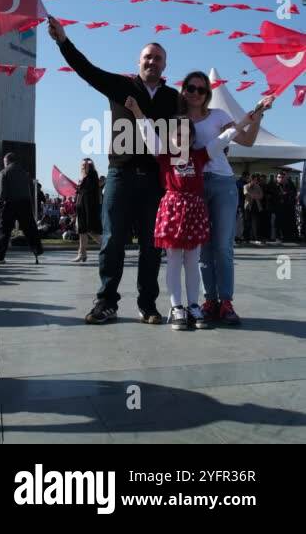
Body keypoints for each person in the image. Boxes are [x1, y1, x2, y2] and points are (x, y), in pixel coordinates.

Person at [48, 16, 180, 324]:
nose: (152, 61)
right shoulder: (121, 86)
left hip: (154, 182)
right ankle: (106, 302)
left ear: (164, 66)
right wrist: (63, 42)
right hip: (120, 176)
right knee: (112, 241)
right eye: (148, 56)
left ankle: (148, 304)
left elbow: (191, 125)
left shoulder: (173, 98)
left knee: (152, 244)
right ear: (139, 62)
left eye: (158, 58)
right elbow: (87, 70)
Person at [125, 96, 259, 330]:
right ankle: (177, 307)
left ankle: (194, 305)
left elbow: (224, 137)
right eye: (178, 135)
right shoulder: (163, 155)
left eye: (188, 135)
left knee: (192, 261)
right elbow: (147, 132)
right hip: (173, 211)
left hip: (196, 212)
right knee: (175, 261)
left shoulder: (200, 155)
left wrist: (247, 119)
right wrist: (137, 111)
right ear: (170, 138)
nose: (183, 138)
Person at [180, 71, 273, 325]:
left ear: (208, 94)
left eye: (201, 89)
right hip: (194, 186)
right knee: (203, 248)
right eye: (191, 87)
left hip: (222, 182)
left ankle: (226, 301)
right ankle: (210, 300)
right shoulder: (176, 120)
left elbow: (248, 140)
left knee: (222, 245)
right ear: (184, 90)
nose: (196, 93)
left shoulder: (219, 116)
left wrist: (258, 114)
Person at [0, 153, 43, 264]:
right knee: (30, 228)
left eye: (4, 162)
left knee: (5, 230)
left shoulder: (4, 172)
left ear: (7, 161)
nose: (4, 164)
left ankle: (0, 256)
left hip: (10, 203)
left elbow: (1, 192)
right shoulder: (24, 173)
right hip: (25, 203)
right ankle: (37, 250)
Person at [73, 159, 102, 262]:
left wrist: (80, 186)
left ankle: (111, 248)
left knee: (92, 231)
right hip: (81, 207)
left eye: (86, 164)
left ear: (90, 166)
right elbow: (80, 192)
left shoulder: (92, 175)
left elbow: (89, 193)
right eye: (82, 164)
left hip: (89, 208)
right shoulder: (82, 176)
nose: (84, 166)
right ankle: (82, 254)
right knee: (82, 231)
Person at [243, 174, 263, 243]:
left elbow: (261, 195)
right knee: (247, 222)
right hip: (248, 206)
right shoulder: (246, 186)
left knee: (256, 223)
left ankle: (256, 238)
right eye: (253, 180)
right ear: (251, 180)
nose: (255, 181)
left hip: (256, 206)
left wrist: (255, 196)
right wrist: (253, 195)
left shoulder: (258, 186)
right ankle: (246, 239)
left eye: (255, 180)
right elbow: (245, 193)